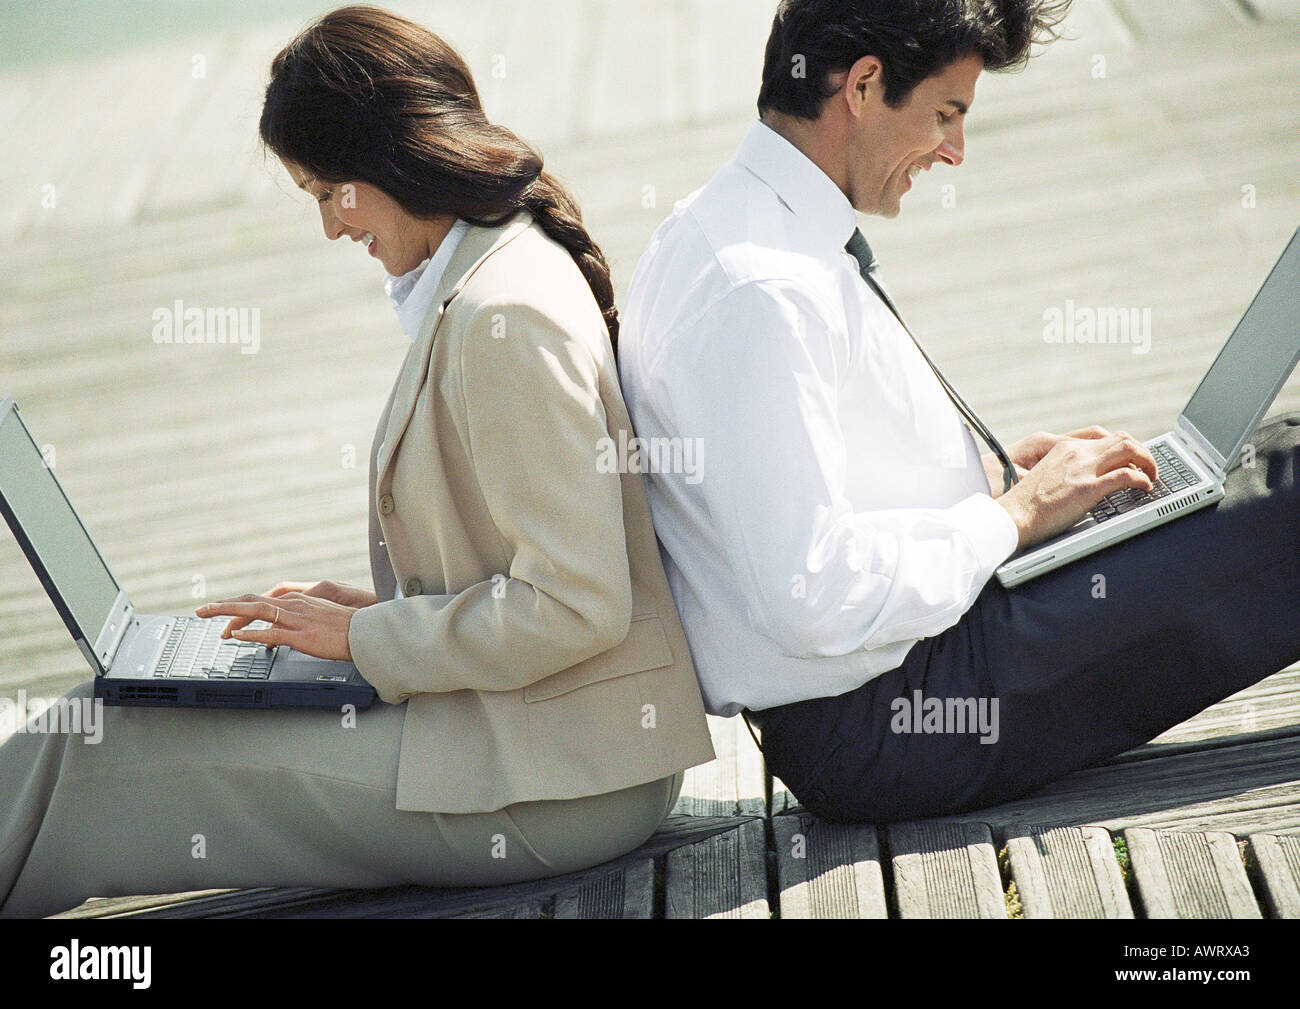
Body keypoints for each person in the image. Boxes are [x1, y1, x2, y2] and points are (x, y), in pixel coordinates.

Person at [0, 4, 714, 918]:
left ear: (390, 157)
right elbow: (535, 570)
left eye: (325, 193)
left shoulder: (505, 318)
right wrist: (376, 615)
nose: (333, 230)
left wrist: (369, 642)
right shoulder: (488, 276)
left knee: (99, 742)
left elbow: (578, 604)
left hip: (558, 785)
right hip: (537, 742)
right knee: (100, 717)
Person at [618, 0, 1300, 824]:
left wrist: (984, 479)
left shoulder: (714, 229)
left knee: (1260, 465)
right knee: (1287, 502)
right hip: (894, 719)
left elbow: (775, 500)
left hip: (895, 674)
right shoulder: (764, 289)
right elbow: (806, 590)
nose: (955, 151)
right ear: (864, 86)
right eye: (946, 114)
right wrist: (1015, 516)